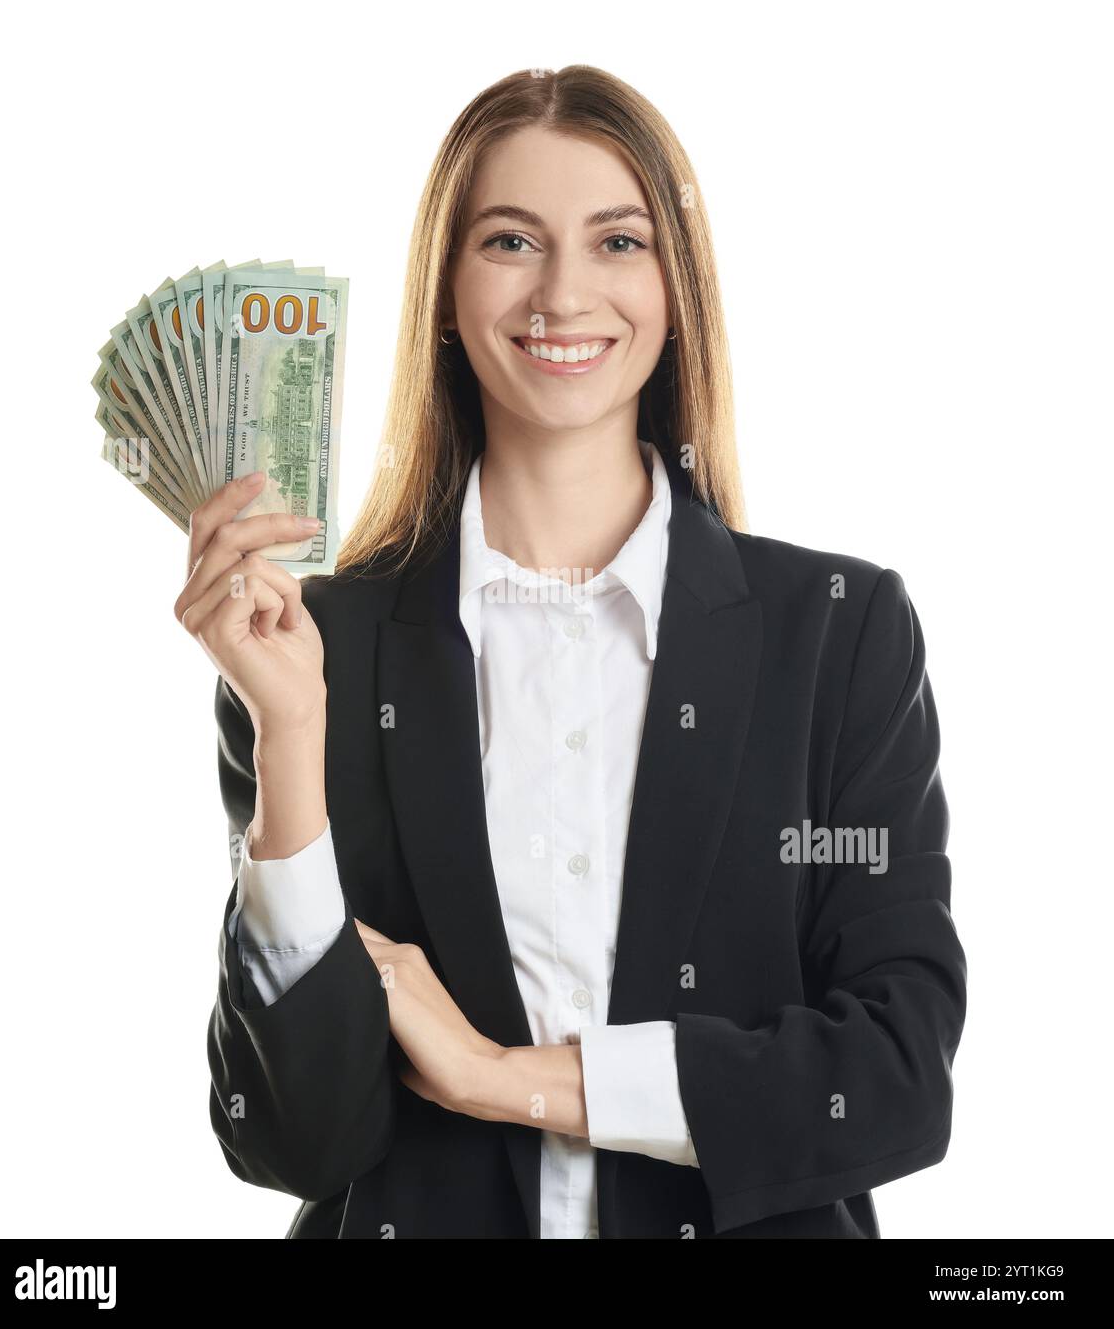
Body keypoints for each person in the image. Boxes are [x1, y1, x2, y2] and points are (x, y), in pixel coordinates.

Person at [175, 65, 967, 1239]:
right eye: (509, 240)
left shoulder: (839, 630)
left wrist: (504, 1077)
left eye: (616, 241)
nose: (562, 292)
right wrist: (291, 735)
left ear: (674, 288)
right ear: (446, 291)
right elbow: (292, 1138)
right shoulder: (316, 649)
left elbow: (898, 1075)